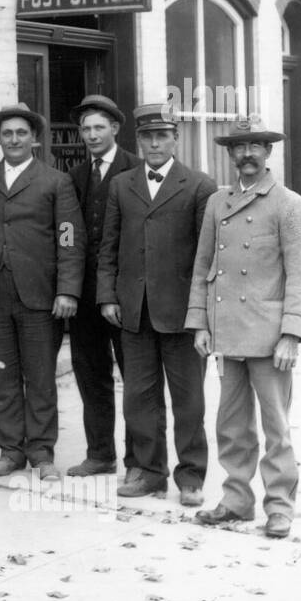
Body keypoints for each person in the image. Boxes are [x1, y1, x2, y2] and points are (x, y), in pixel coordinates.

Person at [186, 117, 301, 539]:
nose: (247, 154)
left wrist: (292, 334)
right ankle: (237, 499)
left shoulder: (289, 204)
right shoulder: (217, 204)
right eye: (240, 147)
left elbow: (300, 273)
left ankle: (279, 507)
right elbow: (202, 267)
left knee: (276, 426)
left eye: (256, 146)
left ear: (268, 152)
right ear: (230, 154)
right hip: (227, 332)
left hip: (269, 335)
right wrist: (199, 323)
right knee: (231, 424)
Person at [98, 102, 217, 505]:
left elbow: (207, 255)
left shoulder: (199, 185)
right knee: (139, 397)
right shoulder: (121, 185)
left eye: (161, 135)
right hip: (134, 310)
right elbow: (108, 246)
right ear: (139, 141)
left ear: (174, 139)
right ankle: (149, 472)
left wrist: (201, 312)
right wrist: (108, 296)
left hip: (182, 313)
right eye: (147, 137)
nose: (154, 143)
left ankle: (191, 477)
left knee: (189, 401)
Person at [0, 105, 84, 481]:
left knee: (39, 377)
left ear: (34, 138)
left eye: (22, 133)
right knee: (0, 377)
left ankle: (41, 453)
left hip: (39, 295)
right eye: (7, 134)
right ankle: (10, 450)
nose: (15, 140)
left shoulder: (56, 181)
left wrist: (67, 289)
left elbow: (69, 238)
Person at [64, 94, 141, 479]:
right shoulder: (76, 177)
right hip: (85, 299)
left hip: (125, 297)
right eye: (85, 129)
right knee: (91, 375)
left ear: (114, 128)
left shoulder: (138, 169)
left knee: (136, 379)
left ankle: (139, 460)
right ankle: (100, 454)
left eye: (99, 127)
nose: (91, 135)